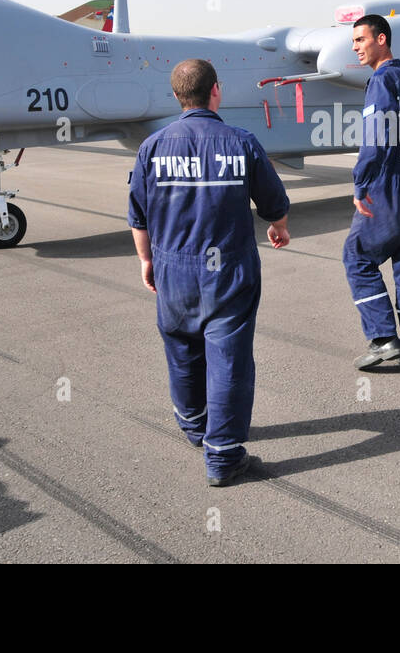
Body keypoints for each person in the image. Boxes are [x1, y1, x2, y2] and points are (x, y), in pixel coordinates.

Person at [128, 59, 290, 487]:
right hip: (228, 271)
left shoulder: (153, 147)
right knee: (229, 361)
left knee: (182, 351)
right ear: (215, 91)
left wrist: (146, 261)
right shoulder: (242, 142)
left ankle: (194, 426)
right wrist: (279, 225)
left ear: (177, 96)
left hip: (173, 267)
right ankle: (223, 457)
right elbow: (274, 203)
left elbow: (138, 216)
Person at [343, 14, 400, 374]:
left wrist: (361, 182)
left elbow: (376, 138)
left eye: (361, 39)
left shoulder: (381, 81)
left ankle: (383, 339)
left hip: (390, 190)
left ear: (382, 39)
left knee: (357, 256)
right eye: (354, 41)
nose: (355, 47)